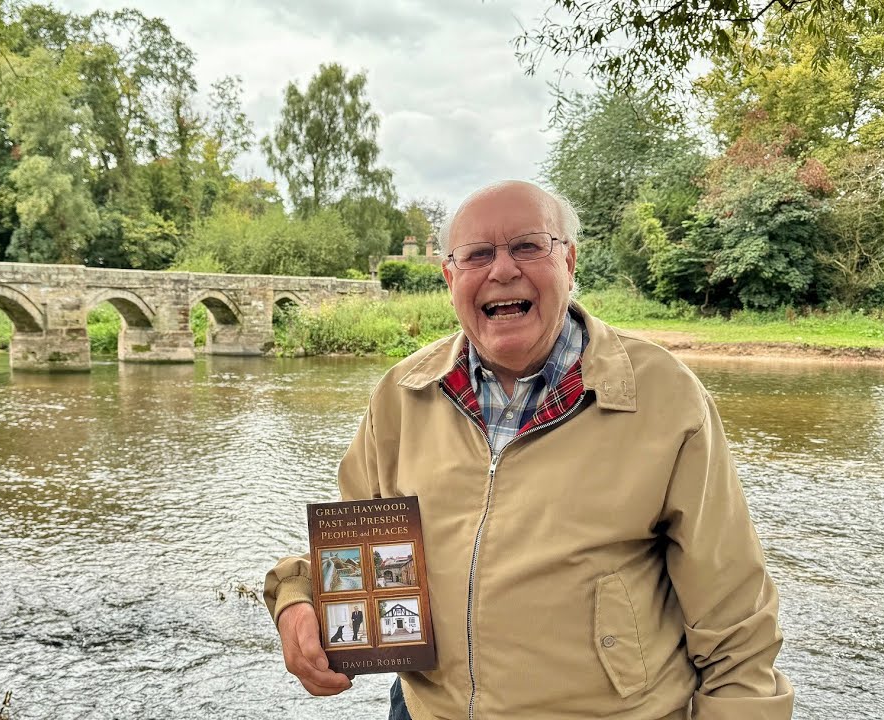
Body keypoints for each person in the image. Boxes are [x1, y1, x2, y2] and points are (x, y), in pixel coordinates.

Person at [263, 180, 794, 719]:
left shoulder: (666, 397)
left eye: (527, 246)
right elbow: (354, 556)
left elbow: (737, 634)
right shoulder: (401, 395)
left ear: (569, 261)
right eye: (477, 255)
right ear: (450, 277)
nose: (502, 270)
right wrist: (297, 597)